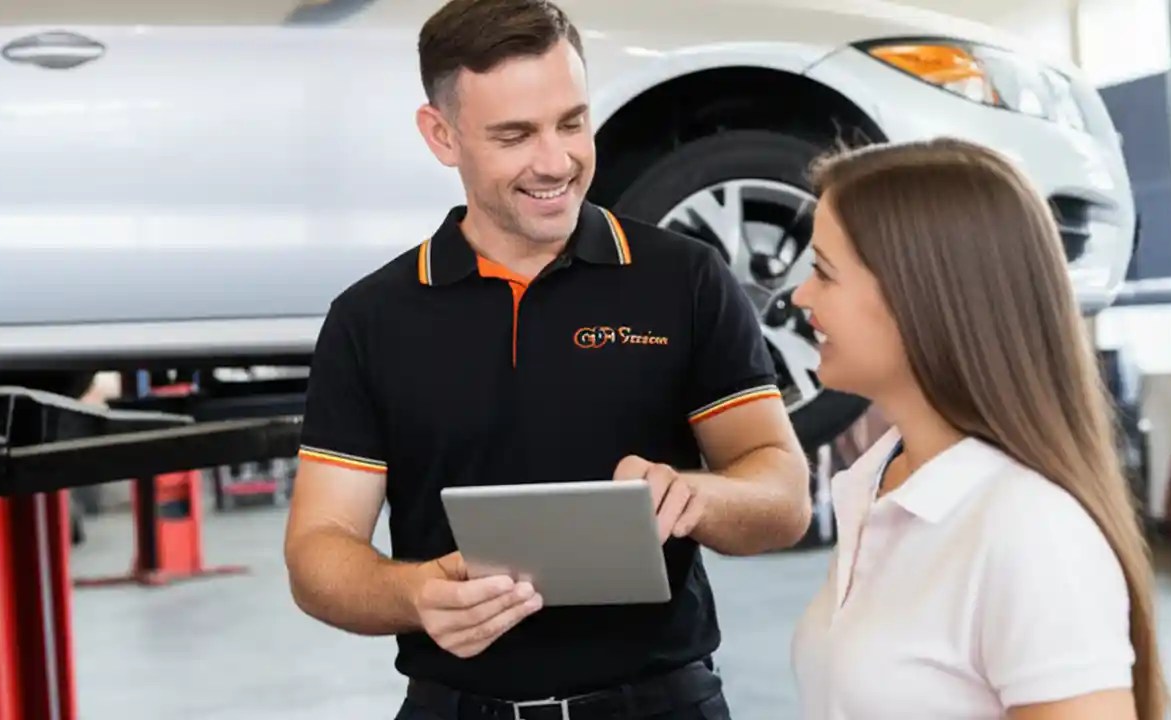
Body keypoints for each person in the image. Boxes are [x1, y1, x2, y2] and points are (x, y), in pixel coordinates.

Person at [282, 1, 813, 718]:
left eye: (572, 122)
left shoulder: (683, 279)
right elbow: (319, 547)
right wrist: (411, 595)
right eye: (515, 135)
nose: (556, 162)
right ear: (441, 136)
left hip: (663, 705)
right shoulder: (371, 319)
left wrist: (699, 497)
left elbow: (782, 498)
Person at [788, 138, 1168, 720]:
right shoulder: (878, 482)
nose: (800, 295)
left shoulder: (1031, 533)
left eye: (823, 273)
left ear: (918, 294)